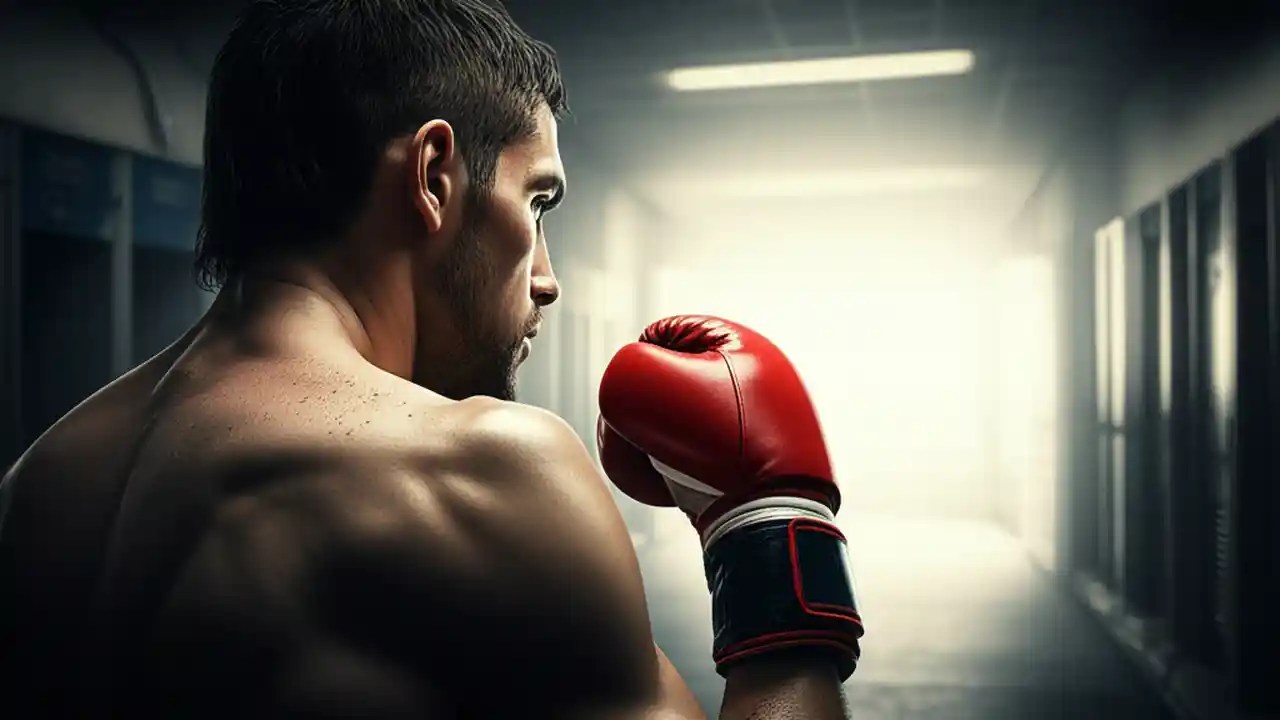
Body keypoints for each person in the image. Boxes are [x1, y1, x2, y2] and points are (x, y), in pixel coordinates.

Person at [0, 1, 860, 717]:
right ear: (434, 173)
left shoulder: (40, 483)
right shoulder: (480, 470)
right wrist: (773, 534)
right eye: (539, 199)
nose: (550, 279)